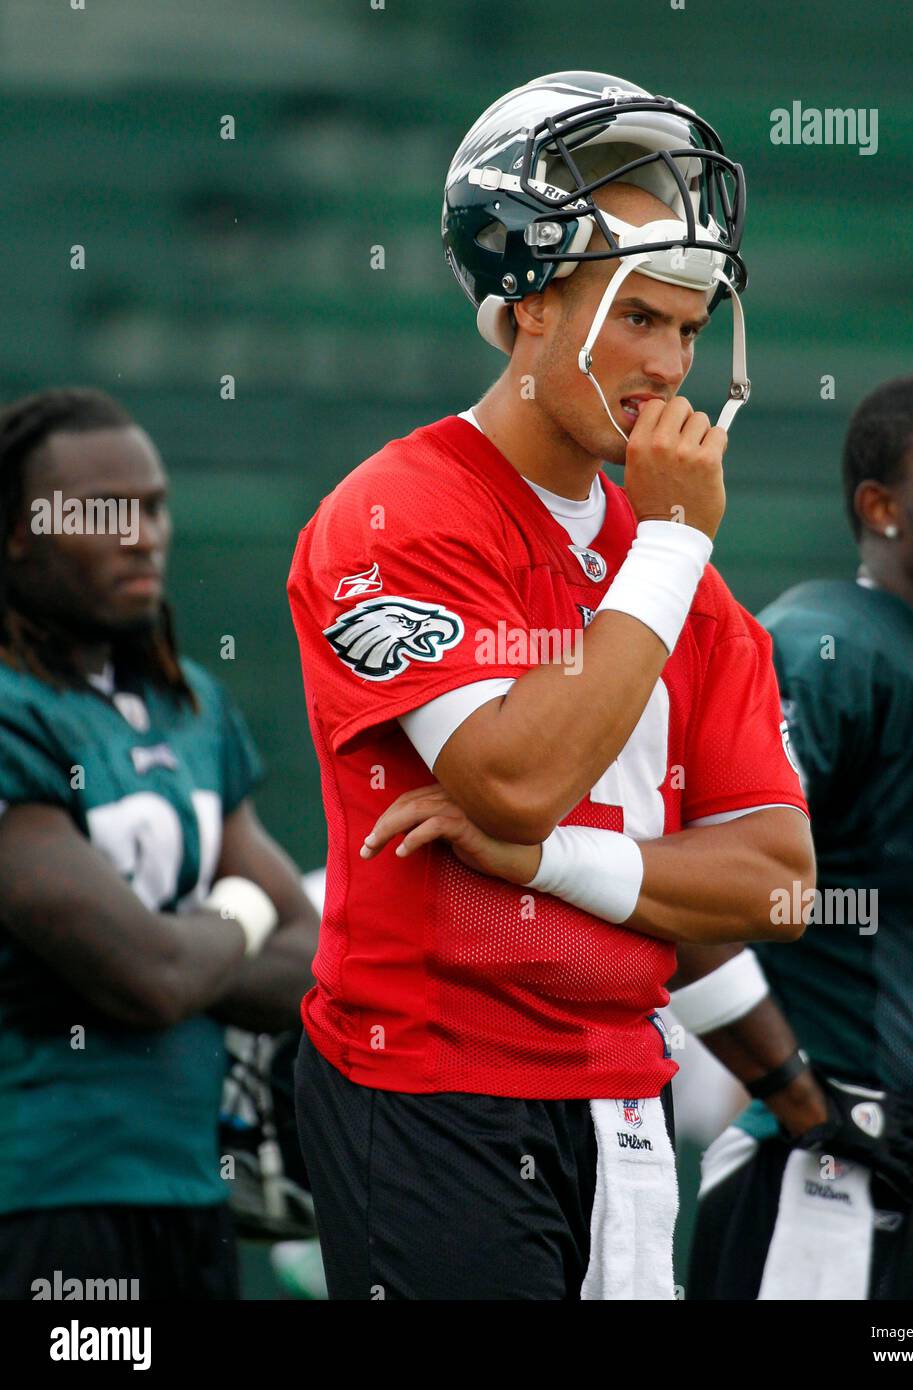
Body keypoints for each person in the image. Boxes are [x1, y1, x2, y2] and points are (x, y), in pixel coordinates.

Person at [287, 71, 812, 1301]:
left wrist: (547, 865)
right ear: (528, 305)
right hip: (432, 1090)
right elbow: (513, 775)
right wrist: (669, 549)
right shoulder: (397, 511)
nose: (668, 365)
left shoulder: (687, 580)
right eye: (638, 318)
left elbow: (776, 884)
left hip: (627, 1094)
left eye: (687, 328)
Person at [672, 372, 913, 1300]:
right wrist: (797, 1091)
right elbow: (685, 886)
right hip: (847, 1191)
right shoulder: (826, 653)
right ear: (883, 508)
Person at [0, 387, 317, 1300]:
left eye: (153, 506)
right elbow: (147, 980)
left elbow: (304, 969)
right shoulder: (18, 716)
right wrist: (242, 910)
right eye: (104, 511)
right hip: (44, 1194)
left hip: (189, 1193)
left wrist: (187, 941)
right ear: (17, 533)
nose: (142, 534)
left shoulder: (189, 708)